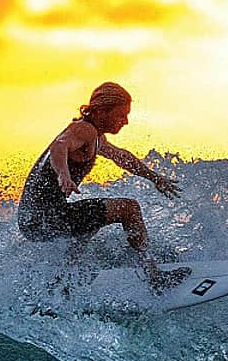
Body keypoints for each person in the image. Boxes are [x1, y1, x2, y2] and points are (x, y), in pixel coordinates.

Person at [18, 82, 187, 292]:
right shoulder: (83, 129)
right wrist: (63, 174)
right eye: (121, 115)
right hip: (44, 218)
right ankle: (153, 275)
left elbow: (122, 157)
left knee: (94, 219)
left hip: (33, 220)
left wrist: (154, 178)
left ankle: (62, 284)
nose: (125, 121)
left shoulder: (95, 137)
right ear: (100, 111)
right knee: (128, 208)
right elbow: (59, 146)